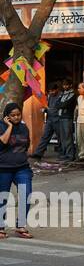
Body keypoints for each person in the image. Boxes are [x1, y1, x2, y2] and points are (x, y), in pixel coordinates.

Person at [0, 101, 34, 239]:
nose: (16, 118)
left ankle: (21, 226)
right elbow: (3, 141)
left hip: (22, 168)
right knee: (2, 198)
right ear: (7, 116)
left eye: (18, 115)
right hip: (3, 169)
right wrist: (9, 127)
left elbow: (26, 145)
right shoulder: (1, 126)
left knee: (26, 194)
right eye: (12, 115)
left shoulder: (24, 128)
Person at [30, 81, 73, 160]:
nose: (51, 92)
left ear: (56, 89)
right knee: (45, 136)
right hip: (50, 119)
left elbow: (60, 106)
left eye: (52, 91)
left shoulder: (61, 95)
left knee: (61, 138)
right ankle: (38, 153)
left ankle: (62, 154)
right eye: (50, 91)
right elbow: (48, 105)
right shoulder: (49, 96)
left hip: (58, 119)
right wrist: (45, 109)